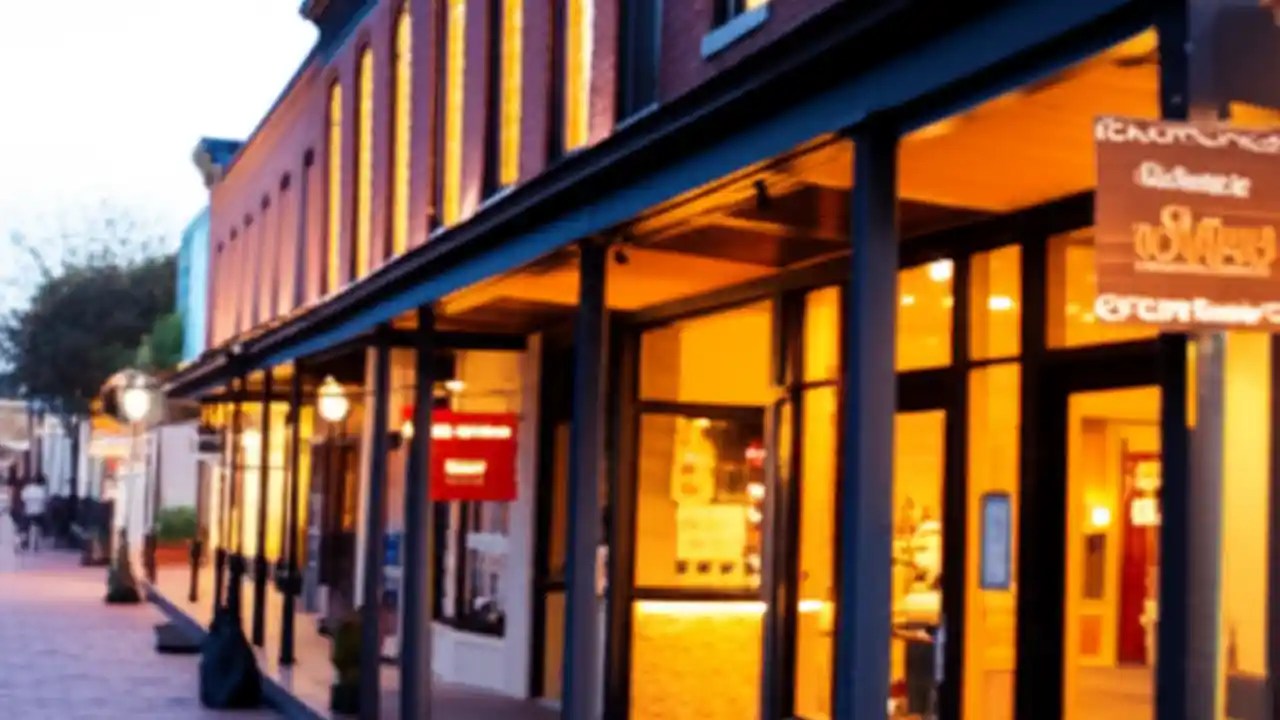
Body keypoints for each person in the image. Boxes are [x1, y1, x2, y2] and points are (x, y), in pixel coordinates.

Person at [20, 475, 47, 552]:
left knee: (24, 528)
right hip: (39, 512)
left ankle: (24, 542)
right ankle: (37, 543)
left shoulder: (27, 489)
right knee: (40, 527)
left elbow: (23, 499)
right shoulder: (41, 491)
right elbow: (44, 501)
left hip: (28, 511)